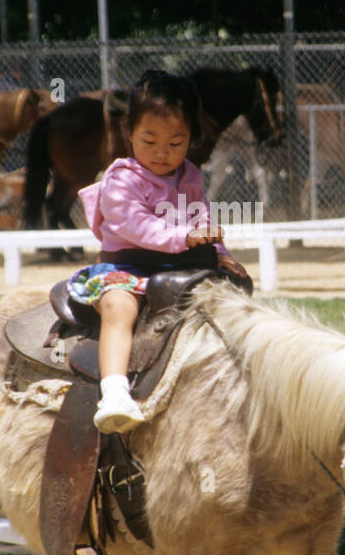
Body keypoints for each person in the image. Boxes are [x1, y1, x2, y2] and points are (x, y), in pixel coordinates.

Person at [72, 69, 248, 434]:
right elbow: (136, 226)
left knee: (229, 302)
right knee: (119, 307)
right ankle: (115, 392)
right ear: (130, 134)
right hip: (125, 266)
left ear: (192, 139)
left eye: (175, 142)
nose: (162, 153)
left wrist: (219, 252)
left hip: (178, 266)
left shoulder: (191, 177)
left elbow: (203, 220)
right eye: (149, 141)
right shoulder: (121, 179)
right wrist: (184, 237)